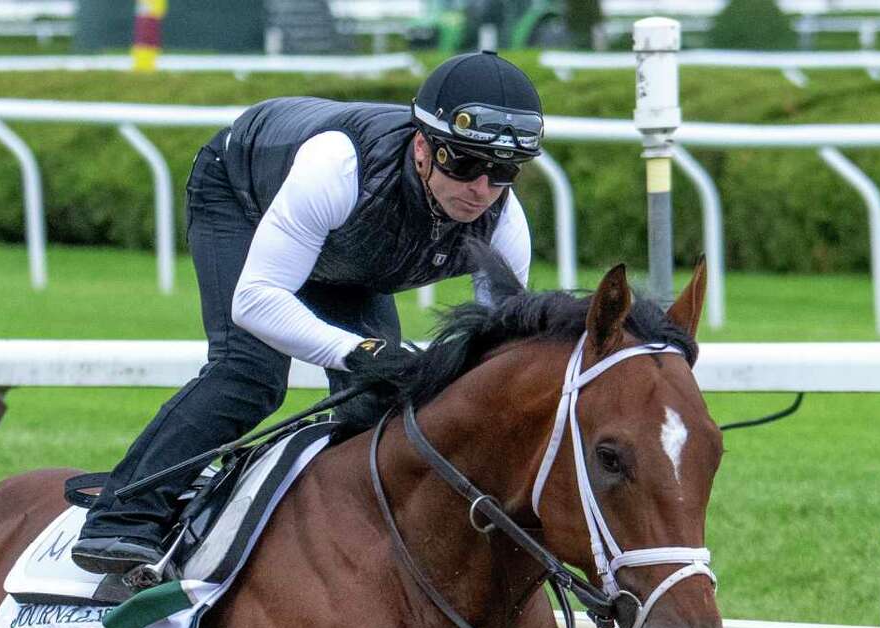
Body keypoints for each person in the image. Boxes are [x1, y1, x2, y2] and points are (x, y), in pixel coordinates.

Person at [69, 50, 544, 576]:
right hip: (243, 195)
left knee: (375, 404)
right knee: (250, 374)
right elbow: (255, 300)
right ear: (421, 146)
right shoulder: (338, 167)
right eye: (463, 163)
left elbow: (502, 355)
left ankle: (343, 539)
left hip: (353, 249)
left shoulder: (504, 225)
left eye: (503, 170)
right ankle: (122, 516)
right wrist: (358, 350)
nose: (481, 189)